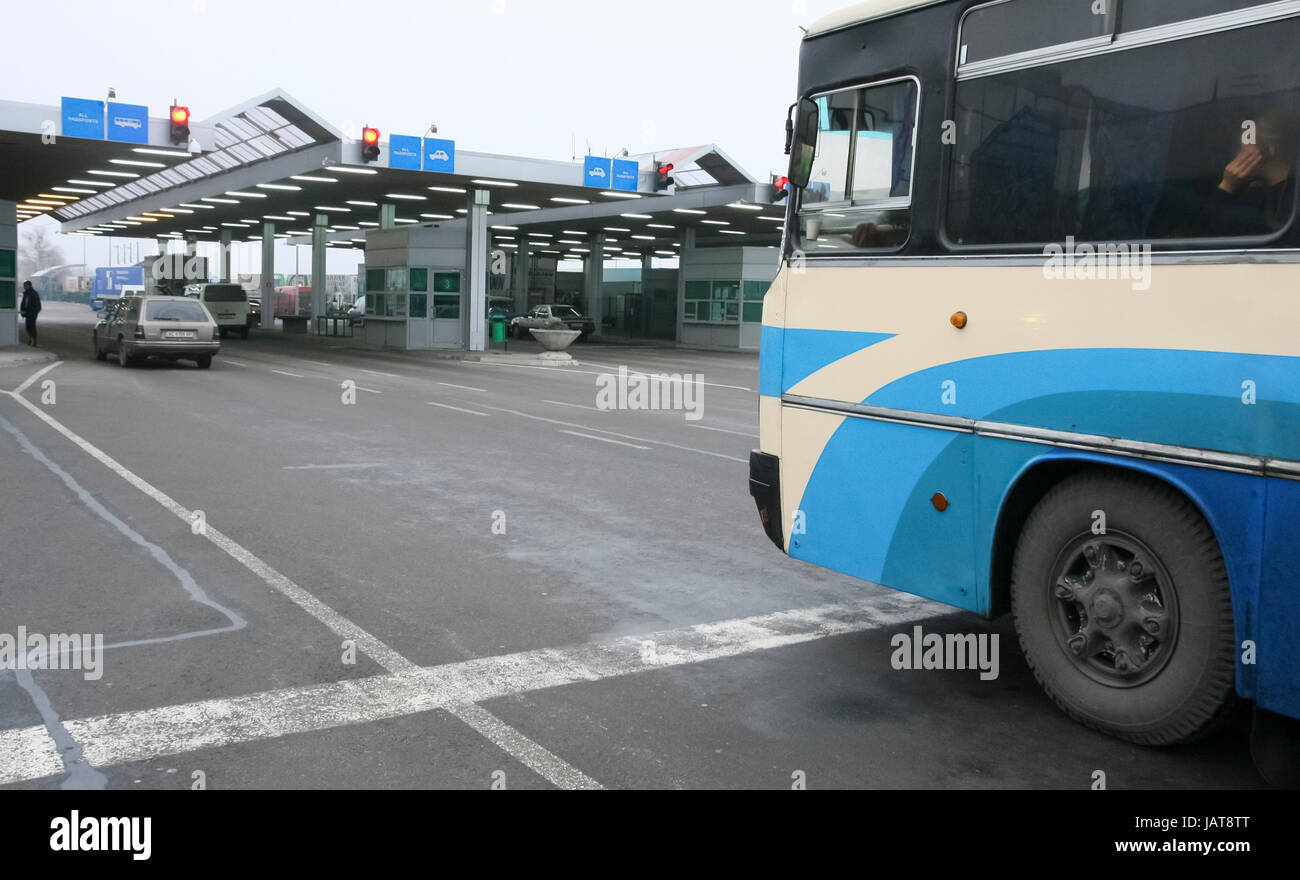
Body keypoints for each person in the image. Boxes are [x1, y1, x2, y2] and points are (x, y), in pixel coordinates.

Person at [18, 281, 41, 346]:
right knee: (28, 327)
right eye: (24, 285)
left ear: (29, 286)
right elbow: (24, 303)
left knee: (32, 326)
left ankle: (34, 341)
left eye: (25, 285)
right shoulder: (26, 293)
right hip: (28, 313)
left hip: (32, 313)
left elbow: (36, 304)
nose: (24, 287)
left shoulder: (34, 293)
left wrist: (35, 311)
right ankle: (31, 339)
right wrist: (23, 310)